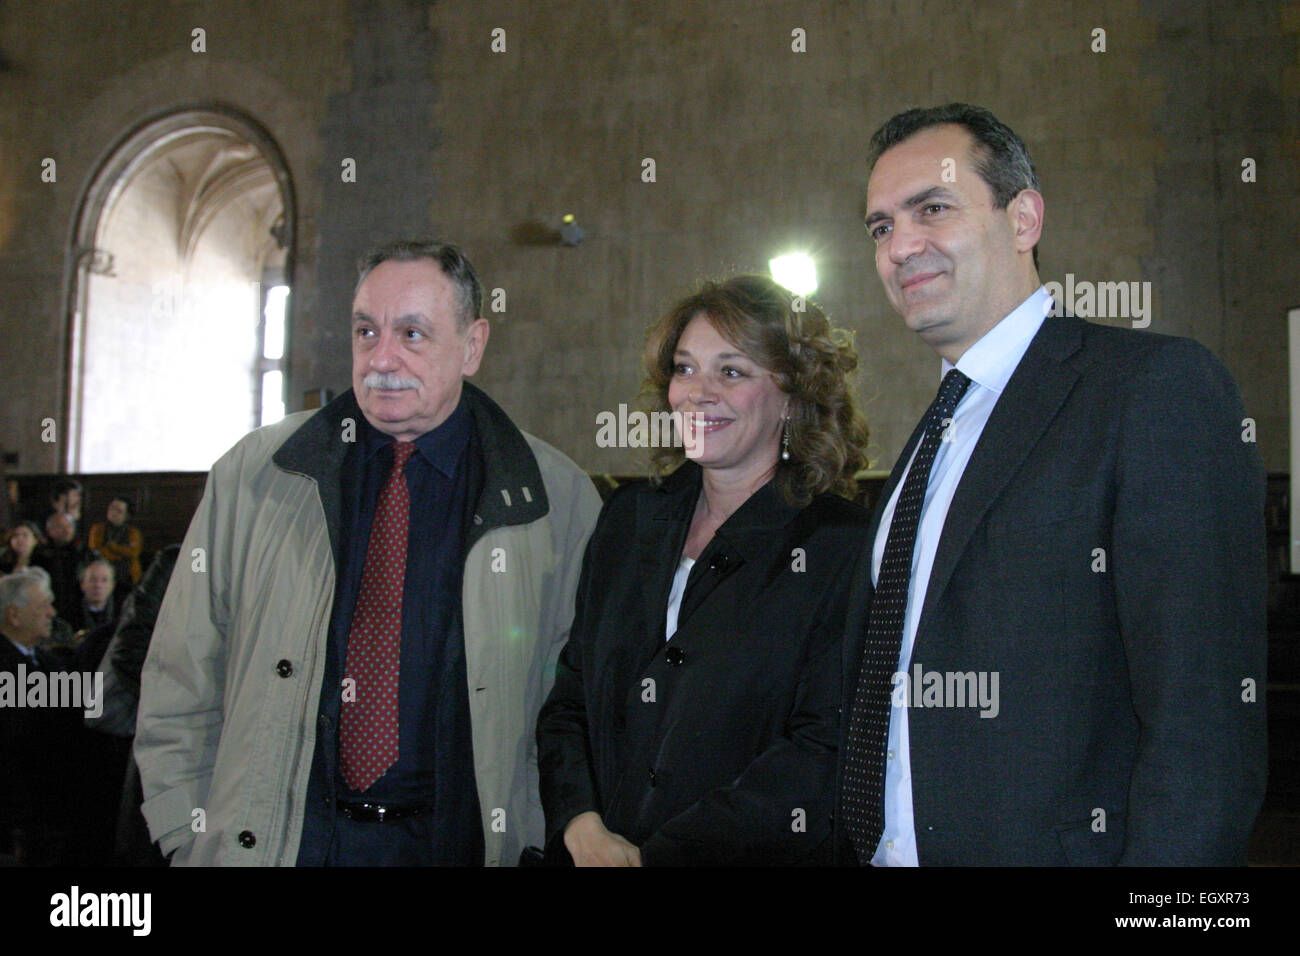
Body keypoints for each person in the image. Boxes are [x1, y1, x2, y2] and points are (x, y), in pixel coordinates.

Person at [837, 103, 1267, 866]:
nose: (900, 246)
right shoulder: (934, 435)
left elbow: (1204, 721)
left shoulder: (1151, 389)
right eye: (879, 228)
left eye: (931, 208)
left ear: (1024, 217)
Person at [135, 240, 601, 866]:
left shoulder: (557, 498)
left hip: (456, 845)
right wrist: (186, 836)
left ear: (472, 345)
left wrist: (543, 835)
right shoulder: (254, 476)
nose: (382, 357)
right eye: (366, 331)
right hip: (282, 846)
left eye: (412, 333)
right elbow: (181, 676)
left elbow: (575, 704)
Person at [537, 274, 871, 865]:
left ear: (793, 395)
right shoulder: (627, 521)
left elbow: (824, 751)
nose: (697, 392)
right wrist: (581, 826)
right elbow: (569, 703)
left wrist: (659, 857)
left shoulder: (839, 547)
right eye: (685, 368)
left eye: (732, 372)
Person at [0, 569, 89, 865]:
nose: (52, 613)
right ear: (13, 616)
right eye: (42, 606)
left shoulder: (50, 662)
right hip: (22, 810)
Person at [87, 496, 144, 585]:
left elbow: (133, 552)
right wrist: (119, 555)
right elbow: (95, 548)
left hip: (127, 575)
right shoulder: (98, 528)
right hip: (103, 571)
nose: (113, 512)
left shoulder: (133, 532)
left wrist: (113, 547)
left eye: (119, 510)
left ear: (127, 515)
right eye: (112, 508)